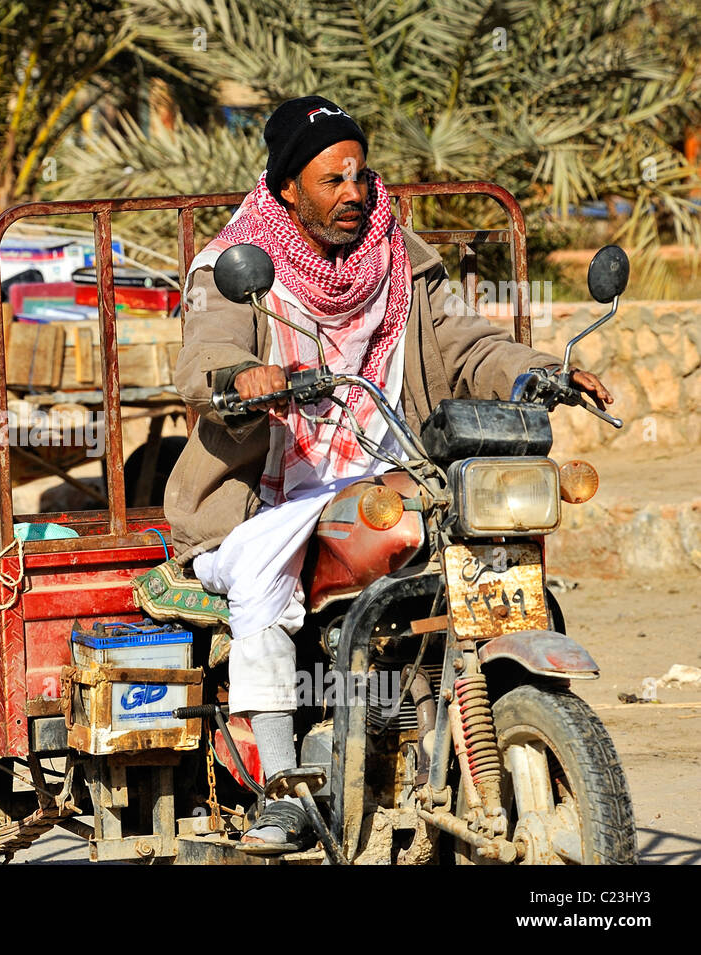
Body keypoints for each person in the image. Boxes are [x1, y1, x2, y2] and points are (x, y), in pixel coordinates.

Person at [164, 96, 613, 848]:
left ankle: (448, 725)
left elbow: (459, 341)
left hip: (387, 471)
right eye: (331, 179)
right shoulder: (234, 265)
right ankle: (281, 784)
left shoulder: (394, 255)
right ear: (287, 189)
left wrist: (540, 371)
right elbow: (203, 355)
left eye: (358, 175)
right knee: (262, 581)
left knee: (475, 547)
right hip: (268, 493)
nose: (352, 192)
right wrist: (241, 377)